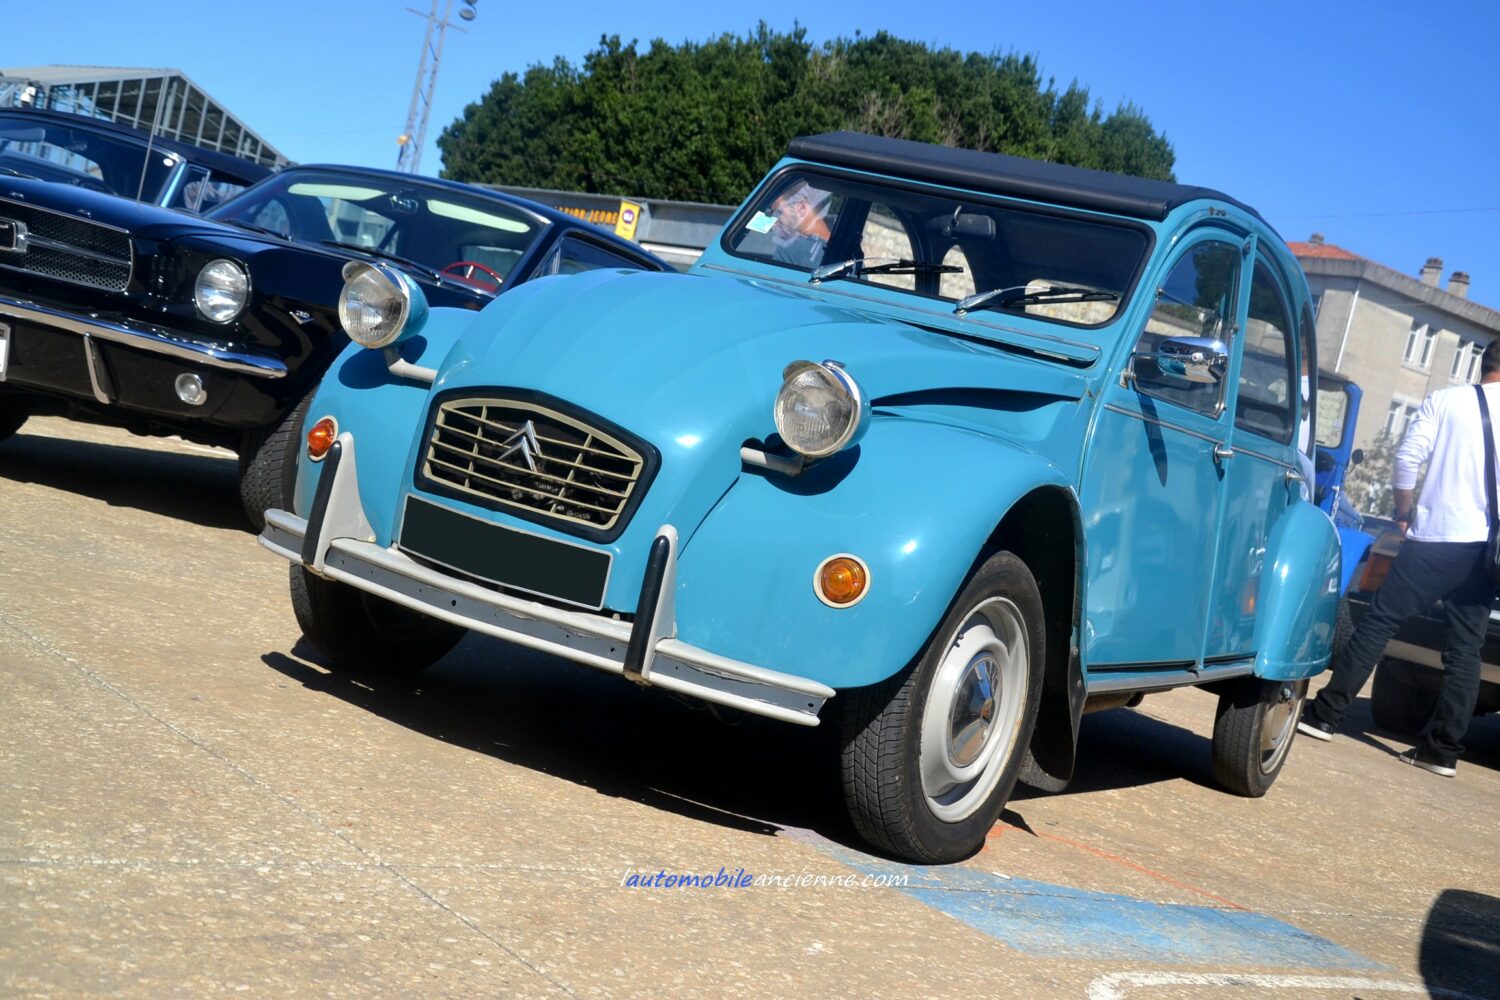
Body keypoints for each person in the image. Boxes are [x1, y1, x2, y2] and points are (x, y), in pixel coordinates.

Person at [1297, 339, 1500, 776]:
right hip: (1486, 550)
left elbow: (1408, 459)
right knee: (1466, 650)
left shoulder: (1446, 401)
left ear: (1484, 364)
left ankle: (1325, 716)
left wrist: (1404, 512)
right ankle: (1442, 752)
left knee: (1380, 622)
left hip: (1436, 538)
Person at [769, 180, 832, 268]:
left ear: (801, 207)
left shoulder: (789, 251)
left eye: (779, 212)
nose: (775, 221)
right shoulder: (840, 248)